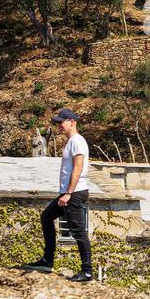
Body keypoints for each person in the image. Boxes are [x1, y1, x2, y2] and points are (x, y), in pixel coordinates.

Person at [20, 109, 93, 282]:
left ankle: (87, 271)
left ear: (72, 122)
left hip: (74, 193)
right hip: (70, 192)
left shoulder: (77, 141)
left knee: (78, 232)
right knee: (47, 217)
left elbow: (78, 167)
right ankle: (47, 260)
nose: (59, 125)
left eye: (62, 122)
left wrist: (68, 193)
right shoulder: (71, 142)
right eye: (58, 122)